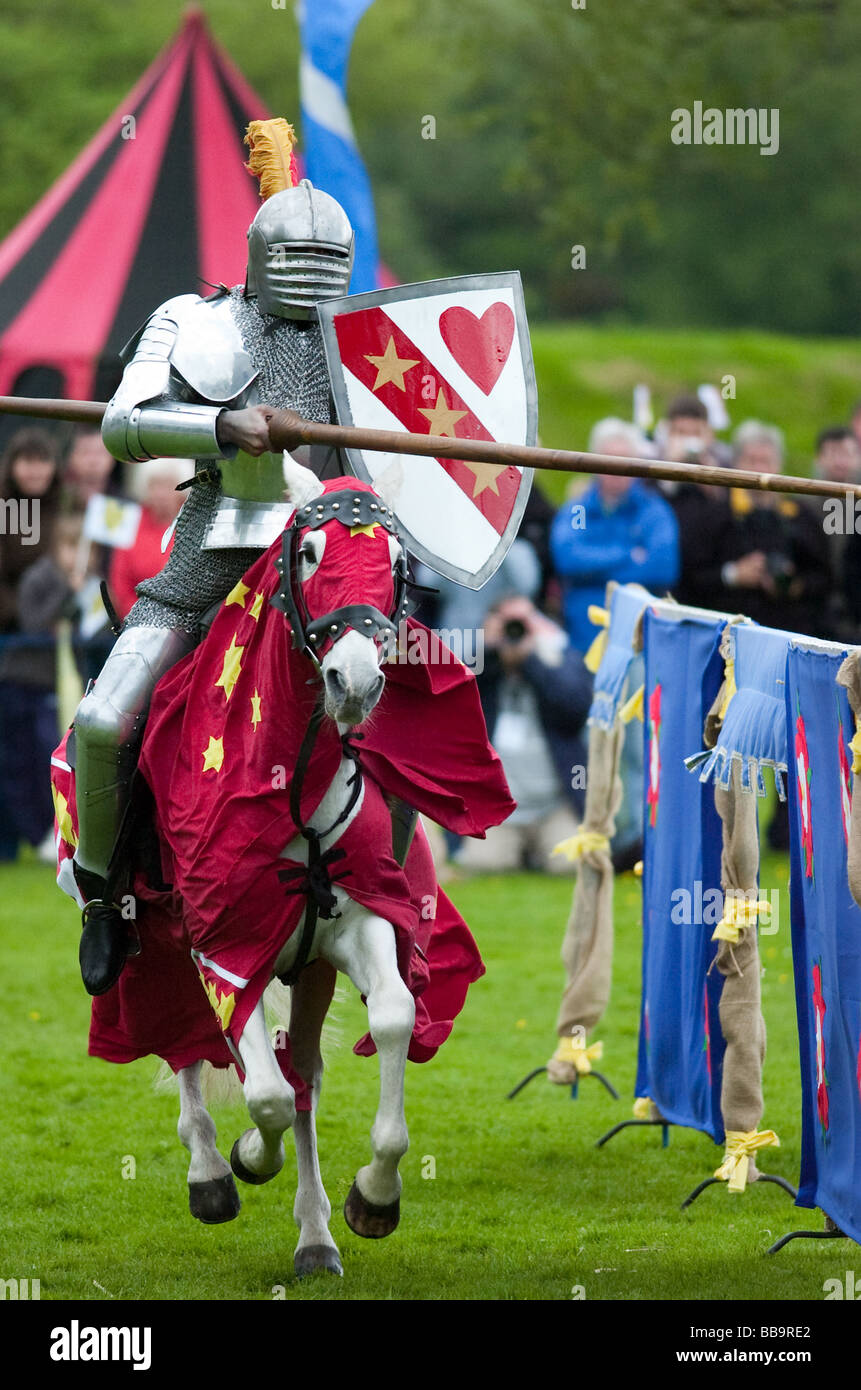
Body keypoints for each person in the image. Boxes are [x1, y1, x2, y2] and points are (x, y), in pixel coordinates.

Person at [72, 122, 356, 997]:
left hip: (326, 561)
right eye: (295, 260)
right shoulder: (193, 322)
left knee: (401, 712)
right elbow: (124, 422)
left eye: (325, 264)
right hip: (212, 551)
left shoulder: (364, 338)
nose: (309, 280)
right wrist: (219, 423)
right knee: (104, 721)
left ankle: (387, 887)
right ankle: (104, 893)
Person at [454, 594, 592, 874]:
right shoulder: (485, 669)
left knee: (572, 865)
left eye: (523, 622)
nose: (514, 631)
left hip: (554, 807)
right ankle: (522, 852)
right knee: (483, 863)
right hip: (500, 811)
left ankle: (535, 852)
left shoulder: (558, 659)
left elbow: (575, 708)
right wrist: (490, 650)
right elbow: (456, 694)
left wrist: (532, 661)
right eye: (507, 623)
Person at [550, 418, 680, 654]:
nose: (615, 470)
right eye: (607, 460)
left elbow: (663, 568)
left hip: (640, 642)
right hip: (583, 639)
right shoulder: (579, 510)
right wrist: (628, 554)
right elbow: (568, 558)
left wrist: (592, 571)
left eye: (623, 461)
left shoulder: (653, 511)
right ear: (593, 463)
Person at [0, 429, 64, 858]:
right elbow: (18, 565)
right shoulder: (15, 508)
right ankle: (26, 832)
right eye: (28, 460)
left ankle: (46, 828)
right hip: (18, 641)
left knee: (44, 740)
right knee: (18, 743)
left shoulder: (67, 504)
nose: (35, 469)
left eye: (43, 460)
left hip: (53, 643)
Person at [720, 421, 831, 636]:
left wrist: (795, 585)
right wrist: (733, 574)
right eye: (751, 461)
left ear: (779, 465)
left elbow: (825, 578)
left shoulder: (800, 515)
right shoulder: (717, 514)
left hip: (792, 630)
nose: (759, 470)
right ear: (736, 463)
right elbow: (693, 575)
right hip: (731, 632)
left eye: (766, 461)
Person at [658, 394, 736, 611]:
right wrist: (669, 471)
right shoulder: (649, 470)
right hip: (666, 587)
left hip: (712, 589)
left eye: (695, 434)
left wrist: (713, 482)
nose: (689, 442)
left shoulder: (726, 470)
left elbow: (732, 522)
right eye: (680, 433)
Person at [108, 458, 187, 621]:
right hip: (136, 620)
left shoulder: (192, 523)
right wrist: (141, 617)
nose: (161, 493)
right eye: (155, 485)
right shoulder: (132, 521)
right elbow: (120, 581)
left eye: (168, 485)